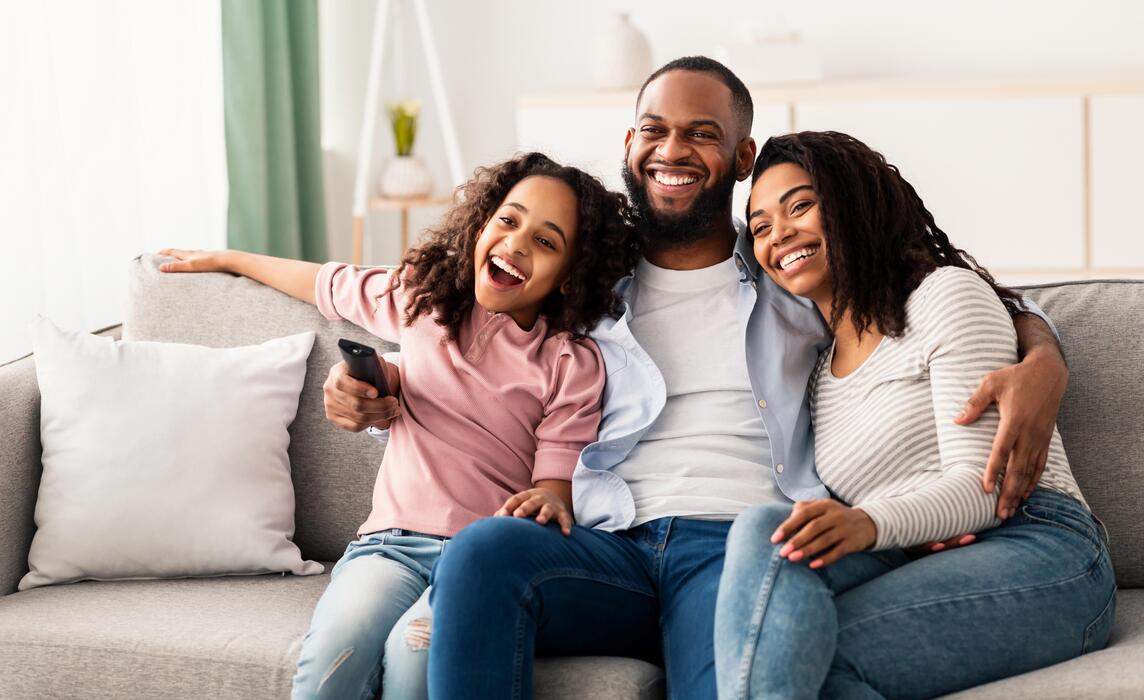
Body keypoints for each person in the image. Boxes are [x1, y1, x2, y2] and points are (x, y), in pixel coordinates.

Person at [326, 57, 1071, 699]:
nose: (671, 149)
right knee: (485, 550)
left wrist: (1043, 358)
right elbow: (464, 336)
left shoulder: (789, 264)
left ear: (743, 156)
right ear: (630, 142)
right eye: (655, 128)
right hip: (609, 542)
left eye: (701, 133)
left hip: (738, 543)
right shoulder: (584, 279)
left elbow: (939, 285)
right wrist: (381, 387)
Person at [157, 151, 639, 700]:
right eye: (508, 220)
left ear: (570, 274)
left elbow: (553, 486)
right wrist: (233, 259)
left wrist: (552, 503)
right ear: (482, 224)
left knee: (415, 663)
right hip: (388, 548)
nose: (517, 242)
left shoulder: (570, 363)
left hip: (480, 564)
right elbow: (324, 283)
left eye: (547, 241)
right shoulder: (422, 297)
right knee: (330, 665)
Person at [713, 131, 1116, 699]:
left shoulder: (945, 297)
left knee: (807, 656)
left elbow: (985, 492)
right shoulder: (817, 375)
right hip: (910, 555)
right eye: (759, 226)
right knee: (763, 532)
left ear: (852, 203)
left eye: (800, 205)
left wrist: (867, 523)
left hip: (1038, 545)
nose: (779, 234)